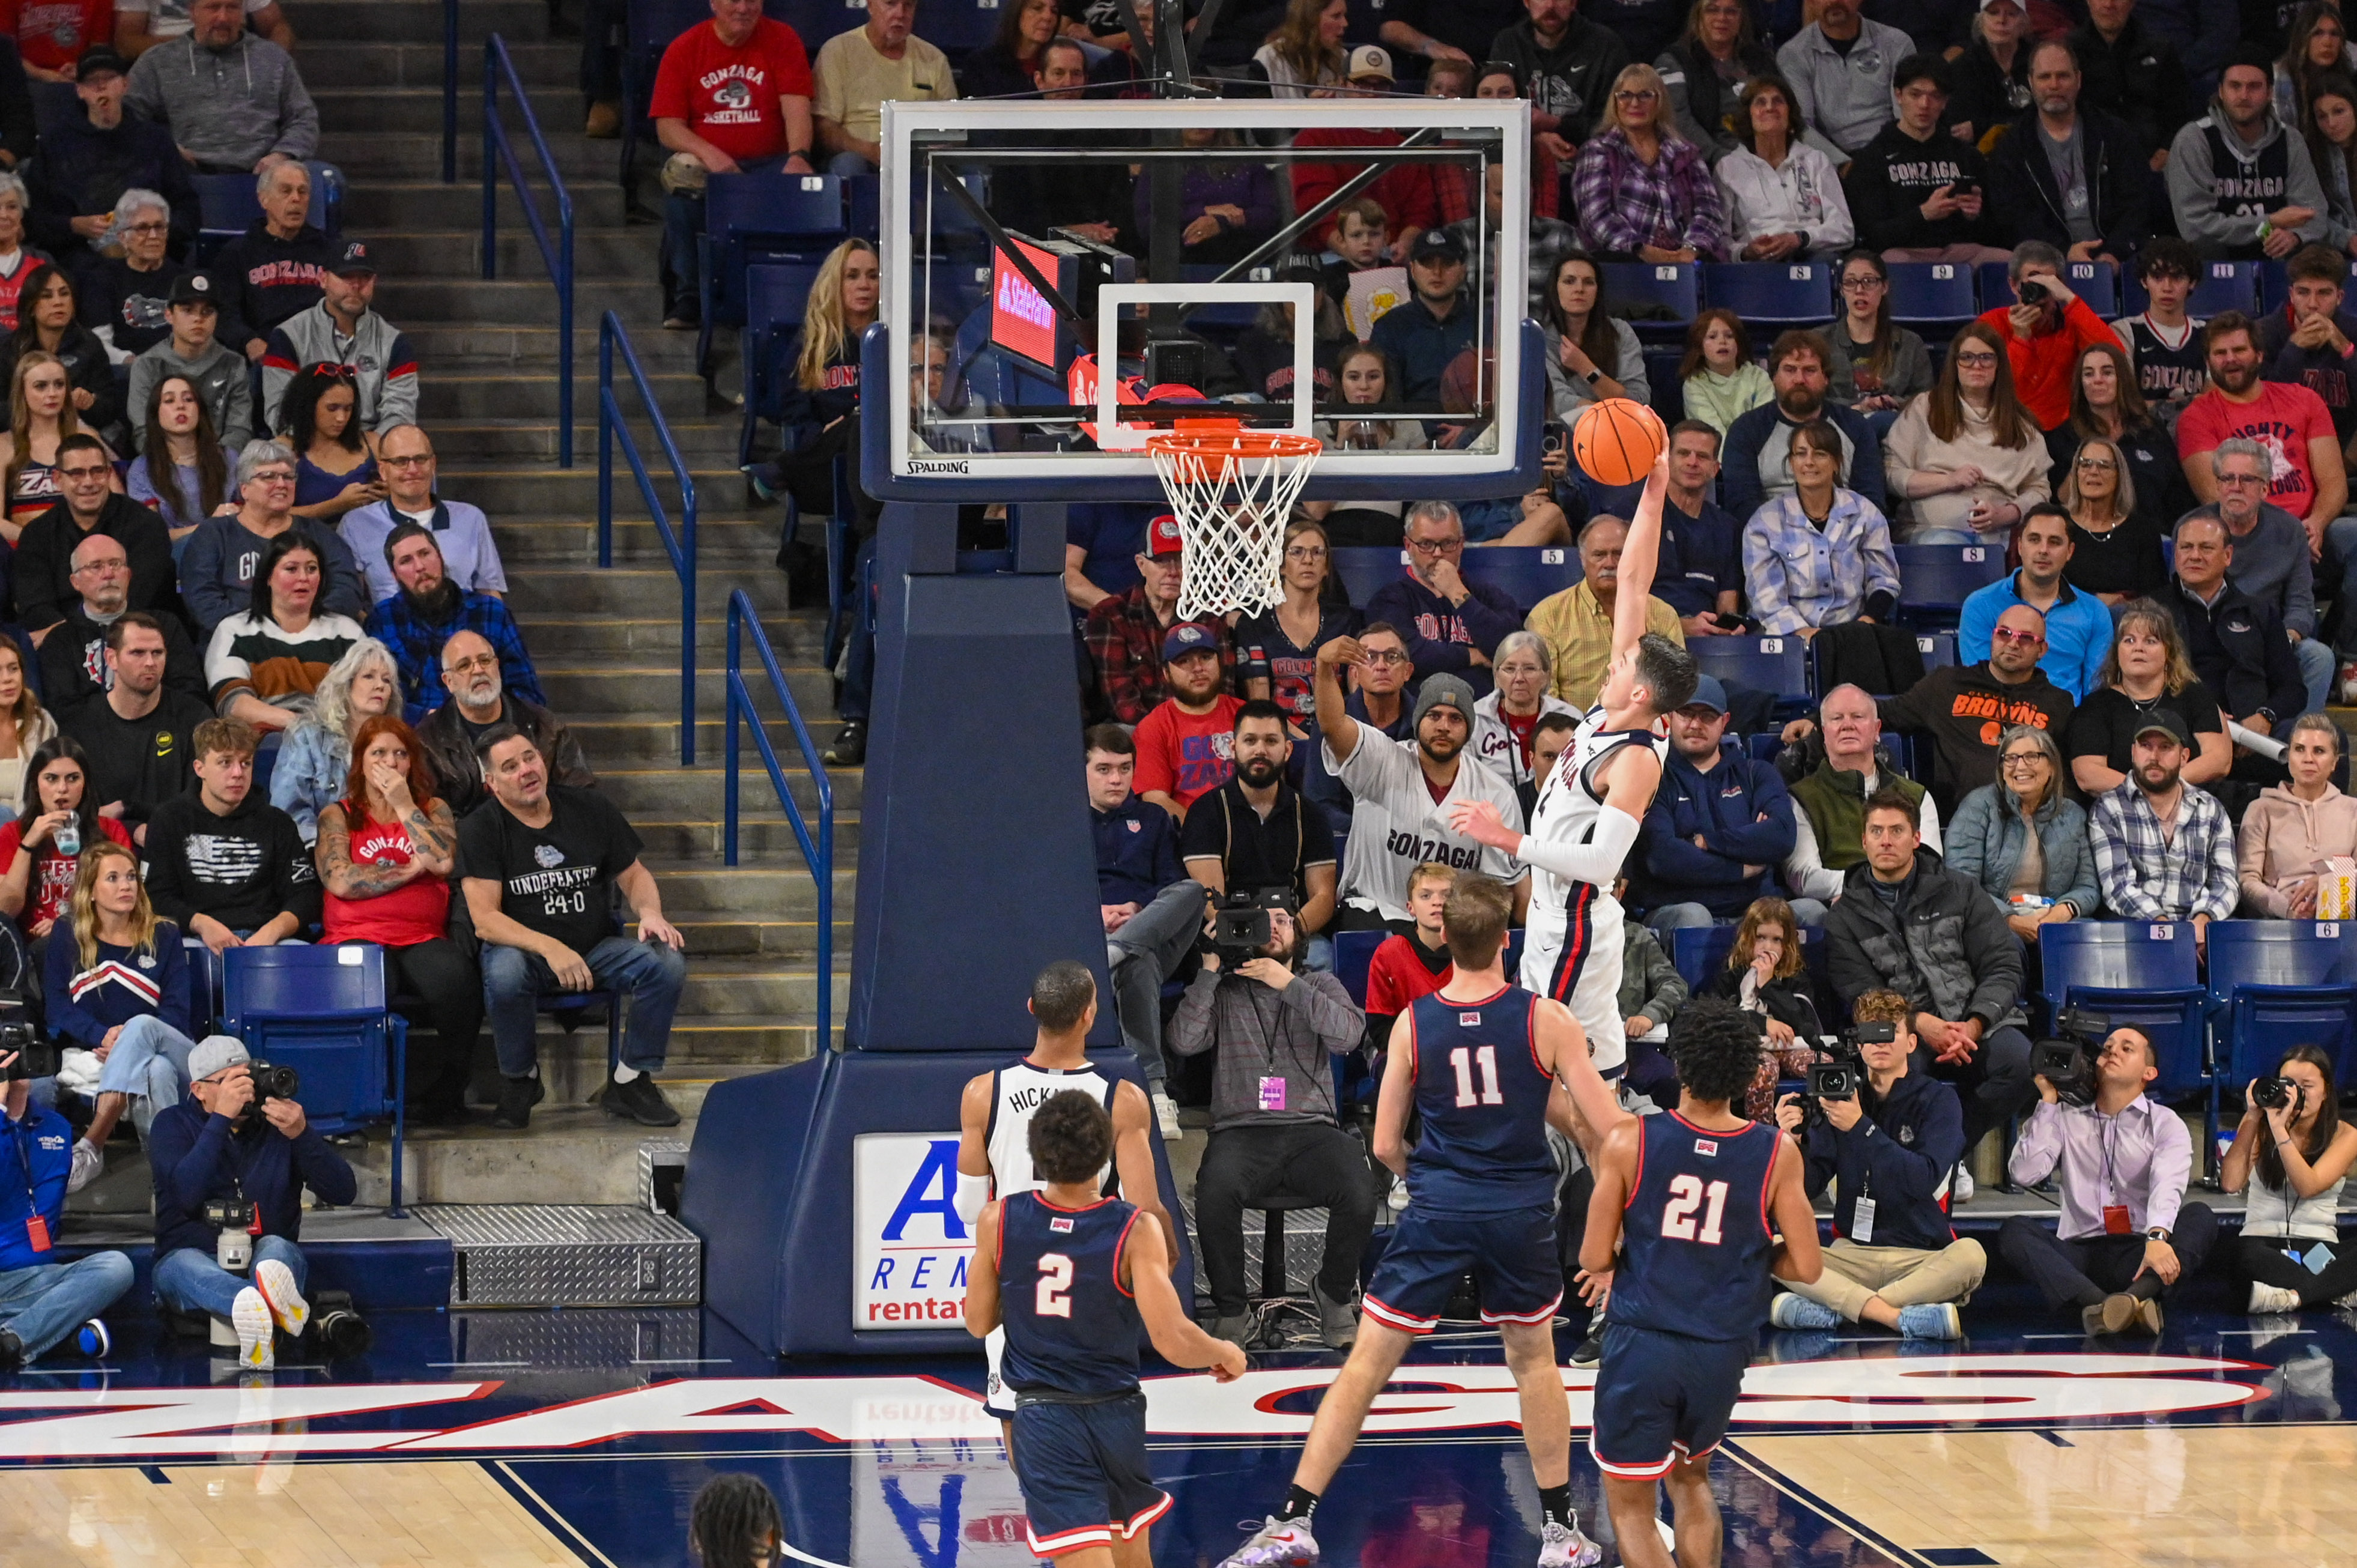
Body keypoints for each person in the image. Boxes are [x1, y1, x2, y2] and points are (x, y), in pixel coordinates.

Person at [1212, 874, 1621, 1568]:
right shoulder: (1544, 1018)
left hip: (1440, 1210)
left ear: (1444, 937)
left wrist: (1426, 1178)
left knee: (1366, 1367)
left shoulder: (1413, 1021)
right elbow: (1611, 1129)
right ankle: (1560, 1532)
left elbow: (1382, 1144)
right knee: (1534, 1366)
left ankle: (1293, 1518)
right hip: (1519, 1213)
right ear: (1505, 940)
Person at [1452, 458, 1696, 1119]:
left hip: (1575, 924)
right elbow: (1638, 578)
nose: (1615, 658)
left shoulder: (1638, 758)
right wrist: (1654, 490)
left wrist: (1511, 840)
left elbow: (1604, 864)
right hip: (1560, 920)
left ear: (1640, 691)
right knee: (1593, 1072)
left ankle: (1595, 1177)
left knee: (1552, 1071)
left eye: (1625, 664)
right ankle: (1615, 1163)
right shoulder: (1619, 706)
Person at [1582, 997, 1818, 1568]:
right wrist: (1746, 1254)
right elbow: (1808, 1267)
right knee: (1692, 1478)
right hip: (1721, 1346)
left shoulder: (1629, 1140)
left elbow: (1593, 1255)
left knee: (1632, 1503)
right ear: (1745, 1074)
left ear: (1681, 1066)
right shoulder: (1777, 1152)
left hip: (1643, 1341)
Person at [968, 1091, 1243, 1560]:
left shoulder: (999, 1219)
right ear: (1107, 1152)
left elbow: (977, 1322)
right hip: (1116, 1416)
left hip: (1046, 1418)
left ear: (1037, 1153)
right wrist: (1224, 1351)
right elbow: (1173, 1339)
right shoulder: (1134, 1228)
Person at [1168, 897, 1371, 1349]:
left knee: (1359, 1189)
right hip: (1241, 1130)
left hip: (1312, 1129)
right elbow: (1183, 1040)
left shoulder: (1318, 982)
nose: (1273, 928)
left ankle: (1334, 1293)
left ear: (1299, 937)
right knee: (1214, 1191)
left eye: (1283, 920)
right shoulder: (1224, 990)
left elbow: (1349, 1035)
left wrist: (1289, 985)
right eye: (1263, 921)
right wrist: (1209, 969)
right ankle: (1232, 1308)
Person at [463, 725, 687, 1137]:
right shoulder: (481, 828)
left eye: (530, 757)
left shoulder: (591, 808)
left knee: (666, 961)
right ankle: (521, 1078)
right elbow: (485, 919)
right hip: (527, 953)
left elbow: (634, 875)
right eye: (510, 767)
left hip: (595, 948)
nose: (526, 770)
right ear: (491, 783)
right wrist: (550, 948)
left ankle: (630, 1079)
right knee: (505, 970)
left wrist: (650, 913)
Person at [1823, 786, 2034, 1160]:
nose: (1886, 841)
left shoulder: (1961, 890)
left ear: (1917, 838)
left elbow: (2003, 963)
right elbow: (1860, 994)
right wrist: (1920, 1023)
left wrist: (1973, 1024)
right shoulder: (1845, 915)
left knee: (2019, 1064)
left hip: (1974, 1023)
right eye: (1876, 832)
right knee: (1895, 1066)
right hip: (1904, 1029)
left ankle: (1944, 1154)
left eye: (1897, 831)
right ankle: (1915, 1157)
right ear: (1863, 840)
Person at [1767, 989, 1982, 1339]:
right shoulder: (1840, 1098)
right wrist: (1791, 1145)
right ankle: (1896, 1316)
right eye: (1871, 1034)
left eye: (1890, 1033)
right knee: (1771, 1250)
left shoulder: (1939, 1100)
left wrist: (1861, 1127)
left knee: (1972, 1256)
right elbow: (1810, 1186)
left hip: (1920, 1256)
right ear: (1859, 1045)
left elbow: (1922, 1179)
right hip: (1853, 1254)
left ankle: (1843, 1310)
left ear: (1912, 1043)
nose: (1879, 1043)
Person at [147, 1034, 358, 1370]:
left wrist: (303, 1135)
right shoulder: (171, 1124)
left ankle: (255, 1305)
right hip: (195, 1267)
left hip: (266, 1259)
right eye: (232, 1083)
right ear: (199, 1090)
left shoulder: (280, 1124)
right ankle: (260, 1306)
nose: (247, 1092)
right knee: (181, 1264)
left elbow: (344, 1192)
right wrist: (220, 1121)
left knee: (276, 1249)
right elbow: (186, 1195)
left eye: (250, 1079)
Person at [1998, 1022, 2219, 1336]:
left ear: (2148, 1073)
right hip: (2080, 1255)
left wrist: (2156, 1239)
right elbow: (2023, 1174)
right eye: (2108, 1048)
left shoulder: (2165, 1123)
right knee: (2014, 1231)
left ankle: (2123, 1301)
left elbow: (2167, 1185)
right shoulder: (2063, 1116)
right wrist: (2048, 1101)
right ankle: (2120, 1306)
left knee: (2200, 1217)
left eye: (2127, 1049)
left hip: (2139, 1254)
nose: (2113, 1051)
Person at [315, 714, 475, 1125]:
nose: (391, 762)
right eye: (380, 752)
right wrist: (407, 871)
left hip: (420, 934)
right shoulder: (339, 814)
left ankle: (449, 1091)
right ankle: (366, 1097)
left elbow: (441, 859)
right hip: (354, 935)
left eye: (401, 754)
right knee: (366, 987)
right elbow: (342, 881)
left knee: (457, 980)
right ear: (361, 761)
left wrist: (405, 806)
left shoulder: (430, 808)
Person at [1316, 645, 1527, 930]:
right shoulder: (1382, 759)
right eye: (1434, 716)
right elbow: (1333, 726)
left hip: (1451, 925)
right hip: (1375, 910)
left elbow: (1496, 889)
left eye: (1456, 718)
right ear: (1418, 721)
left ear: (1469, 728)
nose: (1443, 726)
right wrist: (1325, 670)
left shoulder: (1496, 793)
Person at [648, 0, 815, 329]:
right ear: (713, 3)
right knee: (680, 172)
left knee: (807, 183)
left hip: (771, 164)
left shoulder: (782, 39)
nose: (744, 8)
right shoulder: (686, 48)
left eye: (752, 0)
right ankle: (690, 297)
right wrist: (710, 153)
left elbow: (796, 108)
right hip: (709, 166)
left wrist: (799, 155)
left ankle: (794, 297)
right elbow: (667, 126)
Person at [44, 839, 193, 1154]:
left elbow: (177, 1012)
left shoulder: (164, 934)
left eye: (131, 877)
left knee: (141, 1029)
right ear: (92, 889)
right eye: (113, 878)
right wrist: (101, 1036)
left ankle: (90, 1146)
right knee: (156, 1071)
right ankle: (166, 1176)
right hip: (105, 1055)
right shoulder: (68, 934)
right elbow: (57, 1008)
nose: (126, 885)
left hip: (171, 1050)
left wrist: (129, 1042)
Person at [1087, 728, 1200, 1134]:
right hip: (1087, 935)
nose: (1116, 779)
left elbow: (1171, 882)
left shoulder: (1153, 819)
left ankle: (1117, 952)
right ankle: (1155, 1090)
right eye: (1103, 769)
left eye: (1124, 769)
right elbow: (1052, 886)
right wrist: (1095, 912)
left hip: (1144, 926)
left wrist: (1137, 909)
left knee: (1193, 890)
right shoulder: (1063, 822)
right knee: (1139, 964)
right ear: (1082, 771)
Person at [1634, 673, 1807, 930]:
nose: (1696, 724)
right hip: (1679, 908)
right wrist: (1742, 867)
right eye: (1687, 713)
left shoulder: (1757, 773)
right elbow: (1664, 858)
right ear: (1670, 717)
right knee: (1696, 917)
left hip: (1754, 910)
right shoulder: (1655, 777)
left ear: (1724, 722)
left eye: (1708, 716)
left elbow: (1780, 836)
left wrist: (1705, 842)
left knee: (1811, 912)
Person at [2179, 313, 2346, 566]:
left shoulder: (2305, 400)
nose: (2230, 359)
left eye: (2239, 350)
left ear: (2259, 355)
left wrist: (2317, 523)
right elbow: (2216, 497)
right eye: (2220, 353)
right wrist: (2288, 535)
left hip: (2314, 531)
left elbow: (2334, 483)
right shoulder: (2196, 417)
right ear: (2208, 362)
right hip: (2247, 537)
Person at [0, 1048, 130, 1370]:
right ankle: (57, 1337)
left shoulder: (54, 1127)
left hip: (36, 1279)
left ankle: (14, 1338)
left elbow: (74, 1173)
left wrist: (105, 1120)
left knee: (117, 1267)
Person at [1885, 605, 2078, 816]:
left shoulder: (2058, 703)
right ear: (1993, 637)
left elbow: (2067, 777)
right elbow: (1886, 714)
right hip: (1961, 818)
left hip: (2031, 819)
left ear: (2042, 650)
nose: (2013, 643)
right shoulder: (1947, 685)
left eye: (2025, 638)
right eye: (2004, 634)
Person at [142, 718, 315, 951]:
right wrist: (201, 924)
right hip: (196, 938)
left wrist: (272, 932)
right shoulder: (169, 819)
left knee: (300, 958)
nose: (237, 773)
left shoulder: (278, 823)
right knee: (173, 955)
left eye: (246, 763)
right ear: (199, 768)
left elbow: (305, 895)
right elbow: (155, 896)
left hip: (266, 939)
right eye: (225, 763)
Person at [21, 46, 196, 270]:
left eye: (109, 78)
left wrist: (150, 230)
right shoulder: (54, 143)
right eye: (91, 81)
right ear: (80, 91)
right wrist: (74, 226)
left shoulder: (155, 140)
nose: (100, 86)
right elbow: (34, 218)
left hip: (152, 255)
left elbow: (188, 208)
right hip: (80, 257)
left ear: (125, 85)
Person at [1182, 700, 1338, 947]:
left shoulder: (1311, 814)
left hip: (1292, 932)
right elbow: (1210, 901)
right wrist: (1250, 938)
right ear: (1233, 748)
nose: (1260, 750)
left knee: (1323, 959)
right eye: (1250, 741)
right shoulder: (1205, 812)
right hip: (1230, 935)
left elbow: (1324, 898)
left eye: (1271, 741)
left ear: (1288, 750)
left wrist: (1287, 937)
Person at [1884, 321, 2052, 545]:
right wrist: (1949, 481)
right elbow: (1892, 474)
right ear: (1955, 364)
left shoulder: (2021, 425)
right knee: (1947, 543)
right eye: (1967, 357)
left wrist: (2005, 514)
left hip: (1998, 535)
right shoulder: (1924, 408)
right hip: (1930, 531)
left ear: (1999, 365)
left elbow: (2039, 491)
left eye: (1986, 357)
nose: (1977, 365)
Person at [1985, 38, 2149, 265]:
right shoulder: (2012, 147)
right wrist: (2063, 252)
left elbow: (2137, 203)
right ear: (2031, 82)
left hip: (2117, 257)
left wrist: (2114, 252)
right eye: (2045, 77)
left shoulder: (2114, 133)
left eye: (2063, 76)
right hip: (2047, 262)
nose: (2054, 85)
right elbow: (2014, 218)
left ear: (2078, 80)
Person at [2159, 509, 2311, 753]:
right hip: (2183, 733)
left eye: (2206, 548)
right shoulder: (2151, 613)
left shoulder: (2260, 612)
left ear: (2228, 555)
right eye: (2186, 547)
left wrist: (2265, 717)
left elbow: (2292, 688)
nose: (2195, 556)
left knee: (2327, 744)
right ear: (2175, 553)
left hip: (2253, 736)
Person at [180, 439, 366, 636]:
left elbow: (346, 590)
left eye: (288, 477)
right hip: (237, 642)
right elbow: (203, 600)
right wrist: (264, 632)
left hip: (313, 637)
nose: (281, 484)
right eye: (268, 477)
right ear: (244, 489)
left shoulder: (319, 534)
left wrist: (302, 626)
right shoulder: (214, 534)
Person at [2222, 1044, 2357, 1312]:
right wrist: (2252, 1116)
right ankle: (2335, 1293)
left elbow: (2308, 1187)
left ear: (2326, 1091)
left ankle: (2292, 1298)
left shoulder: (2346, 1135)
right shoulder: (2259, 1123)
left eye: (2306, 1086)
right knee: (2241, 1256)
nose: (2296, 1095)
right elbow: (2231, 1183)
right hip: (2262, 1244)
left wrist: (2280, 1132)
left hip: (2319, 1247)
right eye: (2289, 1085)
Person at [1780, 685, 1945, 903]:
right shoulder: (1801, 798)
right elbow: (1804, 878)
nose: (1848, 725)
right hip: (1838, 907)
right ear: (1823, 733)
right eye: (1837, 718)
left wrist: (1882, 889)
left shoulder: (1917, 795)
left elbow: (1930, 868)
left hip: (1908, 904)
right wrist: (1863, 888)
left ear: (1877, 730)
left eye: (1858, 717)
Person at [2089, 709, 2241, 945]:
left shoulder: (2210, 809)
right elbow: (2118, 887)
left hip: (2202, 930)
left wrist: (2202, 923)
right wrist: (2169, 932)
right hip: (2139, 931)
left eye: (2166, 747)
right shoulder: (2109, 809)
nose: (2154, 756)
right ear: (2133, 752)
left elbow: (2226, 883)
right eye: (2146, 746)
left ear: (2184, 756)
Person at [1741, 417, 1901, 638]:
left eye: (1820, 454)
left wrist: (1866, 622)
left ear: (1837, 463)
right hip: (1790, 638)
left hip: (1854, 635)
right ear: (1791, 462)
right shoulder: (1764, 522)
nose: (1809, 462)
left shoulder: (1865, 513)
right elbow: (1766, 597)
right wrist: (1808, 634)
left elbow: (1884, 579)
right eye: (1801, 453)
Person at [1844, 53, 2010, 265]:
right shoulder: (1872, 159)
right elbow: (1872, 236)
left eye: (1935, 96)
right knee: (1890, 262)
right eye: (1915, 94)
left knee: (2008, 261)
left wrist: (1975, 216)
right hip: (1903, 252)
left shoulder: (1967, 157)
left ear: (1945, 102)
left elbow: (1998, 231)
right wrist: (1923, 214)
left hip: (1959, 250)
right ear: (1899, 95)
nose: (1925, 104)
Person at [2171, 43, 2332, 261]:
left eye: (2254, 86)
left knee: (2310, 249)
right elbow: (2195, 226)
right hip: (2218, 254)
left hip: (2276, 248)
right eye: (2235, 86)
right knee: (2204, 247)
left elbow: (2313, 212)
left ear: (2269, 92)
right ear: (2221, 91)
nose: (2244, 95)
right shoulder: (2195, 139)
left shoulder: (2290, 140)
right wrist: (2270, 223)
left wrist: (2295, 236)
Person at [365, 524, 542, 721]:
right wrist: (431, 720)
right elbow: (377, 699)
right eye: (406, 561)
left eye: (425, 554)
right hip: (415, 735)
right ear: (394, 575)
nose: (420, 567)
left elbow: (528, 693)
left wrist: (485, 718)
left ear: (440, 558)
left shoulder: (490, 612)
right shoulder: (382, 619)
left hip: (487, 729)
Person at [1944, 722, 2098, 945]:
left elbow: (2088, 885)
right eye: (2011, 758)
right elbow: (1962, 883)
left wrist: (2062, 912)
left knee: (2089, 940)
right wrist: (2010, 919)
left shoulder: (2072, 815)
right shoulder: (1978, 807)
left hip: (2055, 920)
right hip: (1993, 921)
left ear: (2052, 766)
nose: (2020, 766)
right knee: (2010, 944)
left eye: (2031, 757)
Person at [123, 0, 317, 175]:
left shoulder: (274, 58)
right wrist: (166, 147)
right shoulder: (157, 61)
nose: (223, 18)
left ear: (242, 14)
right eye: (213, 7)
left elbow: (303, 117)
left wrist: (283, 154)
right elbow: (127, 117)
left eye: (232, 8)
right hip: (186, 178)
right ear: (193, 12)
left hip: (264, 175)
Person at [414, 629, 594, 819]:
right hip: (468, 842)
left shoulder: (545, 726)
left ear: (497, 665)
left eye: (485, 660)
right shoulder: (428, 740)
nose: (478, 670)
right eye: (464, 666)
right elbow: (431, 814)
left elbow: (581, 794)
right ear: (448, 681)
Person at [63, 610, 210, 831]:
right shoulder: (79, 727)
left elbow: (204, 804)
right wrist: (132, 831)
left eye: (158, 653)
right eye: (138, 653)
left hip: (175, 842)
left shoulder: (195, 718)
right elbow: (73, 813)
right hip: (102, 848)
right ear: (111, 658)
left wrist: (132, 812)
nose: (150, 662)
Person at [2066, 599, 2234, 793]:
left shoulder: (2194, 695)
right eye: (2129, 640)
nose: (2138, 648)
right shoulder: (2096, 706)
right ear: (2117, 652)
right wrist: (2142, 792)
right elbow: (2088, 774)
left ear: (2168, 652)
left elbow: (2219, 760)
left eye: (2150, 641)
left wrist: (2167, 787)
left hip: (2189, 805)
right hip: (2122, 811)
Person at [204, 531, 364, 733]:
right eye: (291, 569)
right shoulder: (234, 630)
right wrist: (305, 726)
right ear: (268, 577)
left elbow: (367, 698)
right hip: (267, 743)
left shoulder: (347, 632)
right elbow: (236, 705)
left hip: (338, 739)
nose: (304, 578)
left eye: (312, 569)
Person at [1721, 329, 1890, 519]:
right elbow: (1742, 507)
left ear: (1826, 378)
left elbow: (1872, 502)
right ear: (1774, 377)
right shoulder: (1746, 430)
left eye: (1810, 370)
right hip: (1773, 539)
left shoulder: (1855, 426)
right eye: (1790, 370)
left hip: (1844, 535)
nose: (1799, 379)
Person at [13, 432, 168, 639]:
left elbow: (141, 598)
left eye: (97, 471)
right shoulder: (36, 535)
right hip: (62, 642)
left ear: (109, 474)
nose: (88, 482)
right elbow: (36, 607)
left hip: (134, 635)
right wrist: (73, 641)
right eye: (76, 473)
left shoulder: (146, 525)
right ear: (58, 479)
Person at [1571, 63, 1730, 264]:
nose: (1635, 103)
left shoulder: (1686, 153)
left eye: (1645, 95)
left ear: (1659, 101)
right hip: (1624, 260)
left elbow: (1709, 211)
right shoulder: (1598, 151)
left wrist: (1691, 249)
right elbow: (1596, 216)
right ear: (1615, 102)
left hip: (1684, 259)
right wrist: (1640, 250)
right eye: (1625, 95)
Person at [1524, 515, 1686, 711]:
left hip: (1649, 734)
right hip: (1574, 735)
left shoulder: (1663, 615)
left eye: (1618, 554)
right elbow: (1545, 699)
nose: (1609, 563)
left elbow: (1677, 689)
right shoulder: (1548, 616)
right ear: (1582, 560)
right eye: (1599, 555)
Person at [1084, 516, 1233, 728]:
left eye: (1181, 559)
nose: (1173, 571)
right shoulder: (1110, 615)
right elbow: (1123, 704)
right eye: (1162, 561)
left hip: (1201, 728)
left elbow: (1223, 690)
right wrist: (1166, 737)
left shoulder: (1209, 615)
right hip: (1139, 730)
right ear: (1141, 564)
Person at [336, 425, 508, 608]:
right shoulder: (356, 525)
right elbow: (351, 603)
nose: (412, 469)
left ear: (433, 464)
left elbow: (489, 593)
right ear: (383, 470)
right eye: (401, 461)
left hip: (462, 630)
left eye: (420, 459)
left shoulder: (471, 518)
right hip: (391, 631)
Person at [258, 242, 414, 440]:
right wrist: (324, 451)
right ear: (323, 279)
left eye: (364, 278)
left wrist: (363, 451)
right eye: (346, 276)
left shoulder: (395, 342)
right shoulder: (287, 336)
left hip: (372, 449)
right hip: (306, 448)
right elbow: (279, 413)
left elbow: (400, 416)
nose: (356, 286)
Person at [1365, 501, 1524, 694]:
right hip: (1417, 712)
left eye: (1448, 543)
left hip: (1483, 709)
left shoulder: (1489, 596)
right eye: (1426, 544)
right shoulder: (1390, 600)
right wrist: (1472, 655)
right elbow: (1406, 654)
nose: (1438, 553)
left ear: (1461, 544)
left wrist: (1458, 593)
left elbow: (1511, 649)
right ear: (1409, 545)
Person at [38, 530, 204, 715]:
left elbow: (190, 693)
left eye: (115, 564)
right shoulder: (61, 640)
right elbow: (63, 710)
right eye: (96, 566)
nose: (108, 574)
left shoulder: (165, 626)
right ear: (75, 582)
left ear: (128, 575)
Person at [1957, 506, 2111, 700]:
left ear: (2070, 551)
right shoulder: (1980, 605)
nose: (2043, 550)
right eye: (2034, 540)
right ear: (2020, 546)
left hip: (2069, 723)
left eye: (2054, 542)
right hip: (2001, 718)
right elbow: (1980, 685)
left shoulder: (2095, 612)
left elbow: (2096, 693)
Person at [1978, 244, 2128, 435]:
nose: (2040, 293)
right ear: (2014, 285)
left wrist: (2068, 297)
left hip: (2067, 431)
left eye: (2047, 284)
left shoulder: (2073, 323)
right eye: (2033, 282)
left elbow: (2115, 356)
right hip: (2010, 429)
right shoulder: (1991, 324)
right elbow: (1992, 388)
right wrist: (2020, 339)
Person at [2049, 339, 2189, 541]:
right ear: (2080, 383)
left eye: (2107, 372)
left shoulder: (2151, 430)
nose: (2098, 380)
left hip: (2155, 539)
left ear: (2122, 379)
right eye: (2088, 374)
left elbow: (2177, 496)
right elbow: (2059, 503)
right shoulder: (2062, 438)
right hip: (2090, 542)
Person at [0, 733, 130, 949]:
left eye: (73, 778)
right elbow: (5, 910)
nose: (63, 789)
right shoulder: (13, 834)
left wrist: (68, 927)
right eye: (51, 779)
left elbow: (125, 905)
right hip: (32, 948)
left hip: (95, 940)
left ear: (85, 783)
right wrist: (28, 844)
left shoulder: (110, 832)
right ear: (35, 784)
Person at [266, 636, 395, 846]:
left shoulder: (396, 744)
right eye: (369, 677)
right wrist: (336, 847)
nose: (380, 685)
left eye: (387, 680)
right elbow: (288, 812)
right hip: (320, 851)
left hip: (382, 850)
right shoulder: (307, 736)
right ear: (346, 685)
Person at [1699, 897, 1824, 1108]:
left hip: (1793, 1048)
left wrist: (1768, 985)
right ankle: (1763, 1135)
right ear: (1747, 938)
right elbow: (1719, 1017)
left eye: (1777, 940)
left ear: (1788, 943)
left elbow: (1805, 1023)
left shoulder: (1797, 976)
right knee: (1763, 1071)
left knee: (1824, 1067)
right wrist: (1763, 1024)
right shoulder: (1732, 972)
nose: (1768, 947)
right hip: (1751, 1049)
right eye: (1761, 938)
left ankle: (1819, 1133)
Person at [811, 0, 955, 178]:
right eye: (890, 4)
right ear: (870, 6)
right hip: (860, 156)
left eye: (908, 6)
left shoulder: (934, 59)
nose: (900, 13)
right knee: (849, 164)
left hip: (916, 159)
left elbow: (953, 129)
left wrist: (937, 147)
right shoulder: (838, 51)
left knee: (943, 169)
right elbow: (825, 128)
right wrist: (870, 150)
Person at [1236, 521, 1359, 727]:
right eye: (1297, 552)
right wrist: (1302, 742)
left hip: (1338, 735)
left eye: (1317, 552)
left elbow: (1357, 695)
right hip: (1278, 739)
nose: (1308, 560)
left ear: (1327, 567)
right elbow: (1261, 707)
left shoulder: (1348, 621)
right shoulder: (1254, 624)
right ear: (1281, 565)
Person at [1716, 74, 1853, 261]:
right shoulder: (1728, 168)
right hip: (1756, 262)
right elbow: (1720, 238)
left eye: (1778, 101)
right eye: (1760, 103)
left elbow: (1843, 229)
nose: (1770, 108)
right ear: (1749, 116)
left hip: (1809, 253)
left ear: (1790, 114)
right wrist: (1745, 252)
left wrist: (1800, 238)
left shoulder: (1816, 160)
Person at [205, 161, 330, 362]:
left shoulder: (328, 250)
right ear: (264, 199)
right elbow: (225, 314)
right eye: (286, 191)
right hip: (266, 356)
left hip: (320, 353)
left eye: (303, 191)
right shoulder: (237, 253)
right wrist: (249, 341)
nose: (296, 199)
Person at [1482, 0, 1631, 168]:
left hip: (1590, 161)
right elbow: (1492, 118)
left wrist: (1556, 123)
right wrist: (1535, 140)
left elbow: (1617, 123)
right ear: (1526, 3)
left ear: (1574, 3)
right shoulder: (1507, 44)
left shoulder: (1606, 46)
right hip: (1519, 160)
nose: (1550, 6)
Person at [2239, 712, 2357, 916]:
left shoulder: (2353, 811)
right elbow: (2247, 880)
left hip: (2343, 920)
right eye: (2299, 749)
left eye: (2319, 751)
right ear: (2289, 756)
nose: (2308, 759)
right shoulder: (2261, 809)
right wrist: (2288, 909)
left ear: (2334, 763)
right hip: (2279, 923)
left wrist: (2327, 883)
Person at [126, 271, 251, 456]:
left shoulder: (233, 364)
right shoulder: (147, 365)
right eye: (187, 310)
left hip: (219, 464)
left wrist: (212, 463)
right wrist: (179, 464)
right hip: (163, 464)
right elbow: (143, 432)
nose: (198, 319)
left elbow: (239, 430)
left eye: (207, 312)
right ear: (169, 315)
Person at [1130, 626, 1246, 821]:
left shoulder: (1246, 716)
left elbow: (1271, 785)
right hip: (1189, 839)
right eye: (1184, 661)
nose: (1198, 668)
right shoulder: (1153, 727)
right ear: (1166, 673)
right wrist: (1204, 834)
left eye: (1206, 657)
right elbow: (1156, 799)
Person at [0, 265, 123, 445]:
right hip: (21, 439)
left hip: (79, 437)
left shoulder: (90, 344)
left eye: (65, 294)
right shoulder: (9, 349)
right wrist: (33, 406)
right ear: (31, 307)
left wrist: (90, 404)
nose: (58, 302)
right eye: (47, 296)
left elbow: (109, 407)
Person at [2070, 0, 2197, 171]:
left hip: (2152, 170)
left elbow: (2179, 117)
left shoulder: (2160, 50)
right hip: (2087, 170)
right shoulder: (2068, 54)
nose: (2109, 4)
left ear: (2133, 3)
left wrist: (2162, 157)